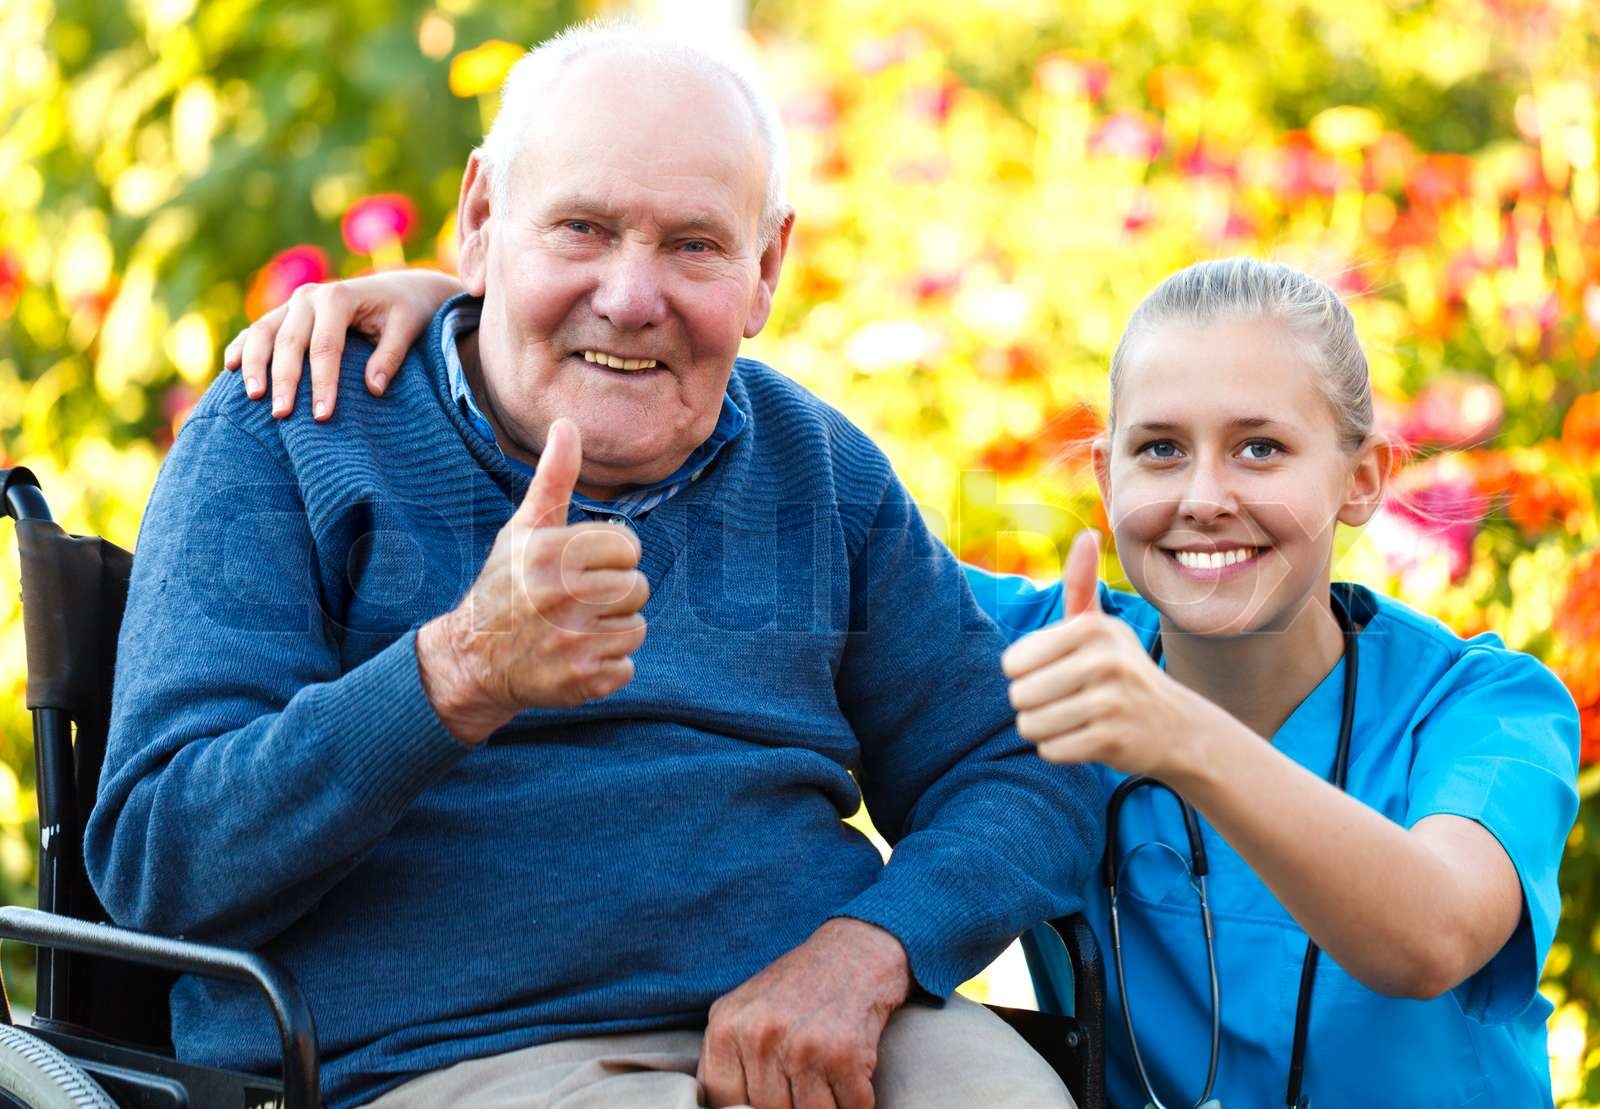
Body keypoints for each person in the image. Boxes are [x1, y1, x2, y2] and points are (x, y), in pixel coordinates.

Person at [241, 257, 1581, 1107]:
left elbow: (1430, 936)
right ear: (1105, 474)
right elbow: (838, 559)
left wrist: (1177, 735)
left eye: (1263, 450)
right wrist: (457, 305)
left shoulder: (1482, 705)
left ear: (1362, 482)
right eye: (1160, 451)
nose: (1206, 498)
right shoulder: (1043, 641)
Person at [90, 22, 1101, 1109]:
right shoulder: (293, 426)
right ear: (481, 219)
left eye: (693, 245)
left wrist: (871, 946)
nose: (630, 296)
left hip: (812, 1024)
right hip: (438, 1056)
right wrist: (457, 671)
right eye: (581, 227)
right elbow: (161, 863)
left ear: (765, 269)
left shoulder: (817, 466)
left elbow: (1018, 765)